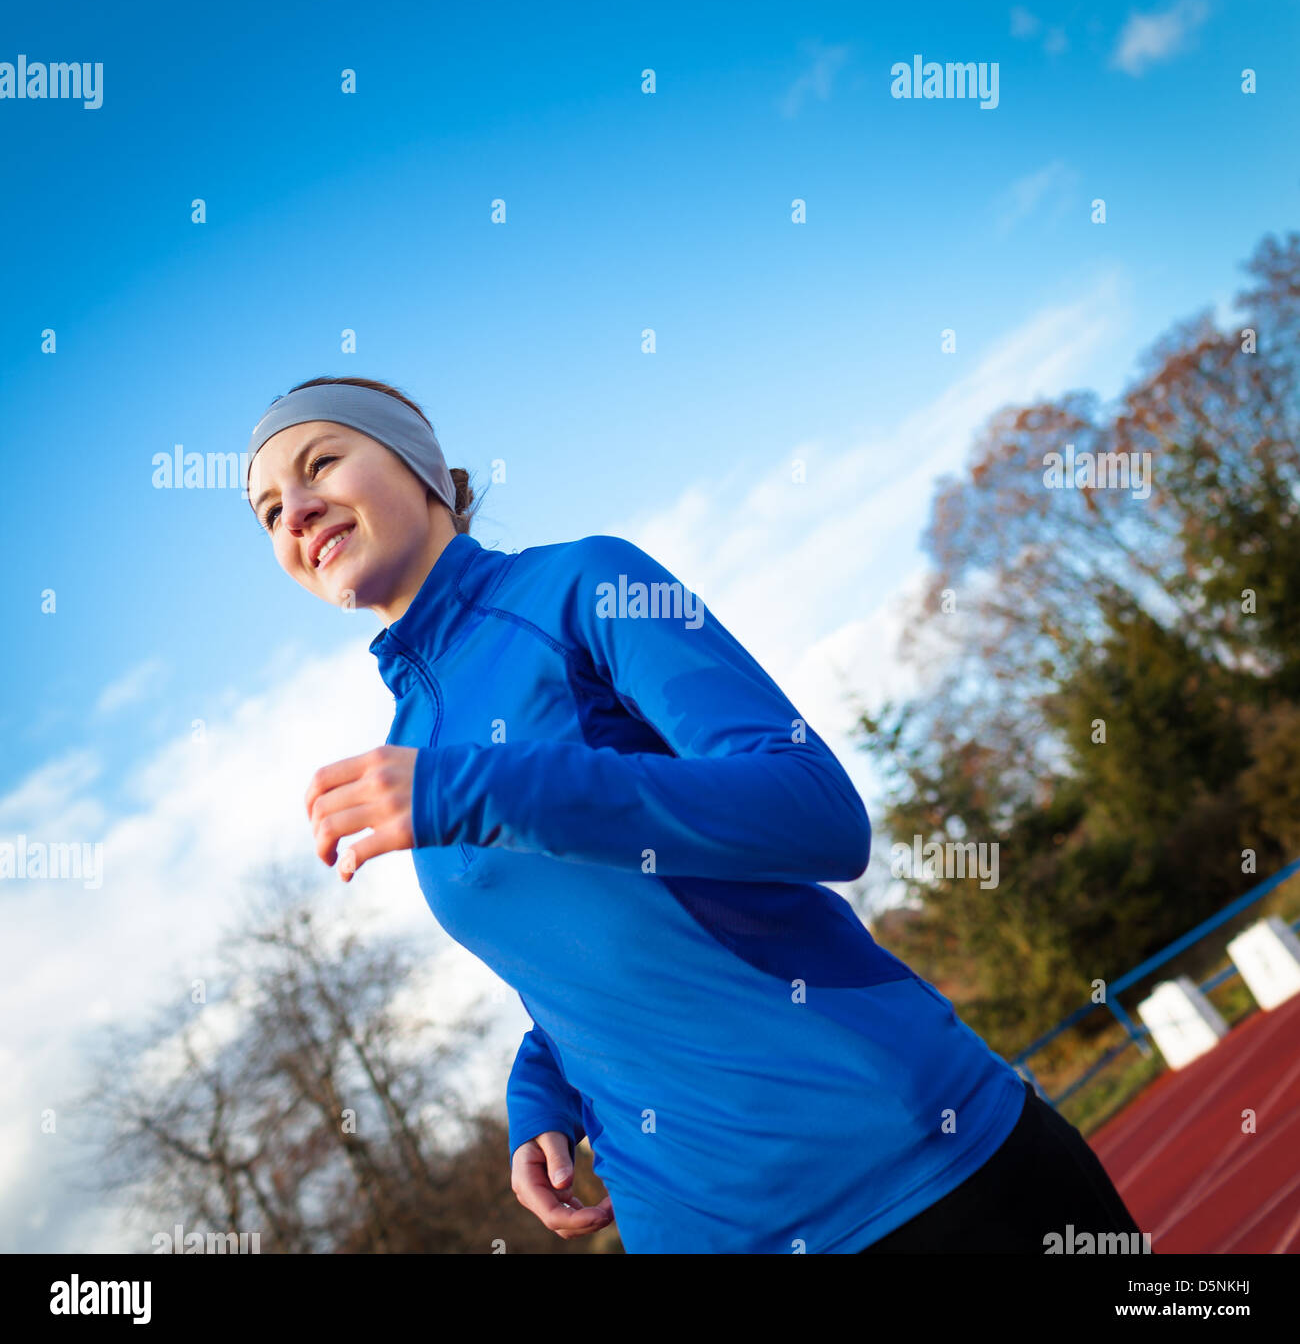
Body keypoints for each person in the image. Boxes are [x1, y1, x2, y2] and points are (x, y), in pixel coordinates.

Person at [246, 374, 1146, 1254]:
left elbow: (818, 811)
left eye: (321, 463)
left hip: (917, 1174)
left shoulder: (582, 585)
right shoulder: (411, 737)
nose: (295, 510)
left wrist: (486, 786)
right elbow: (597, 949)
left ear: (425, 470)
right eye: (268, 510)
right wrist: (543, 1095)